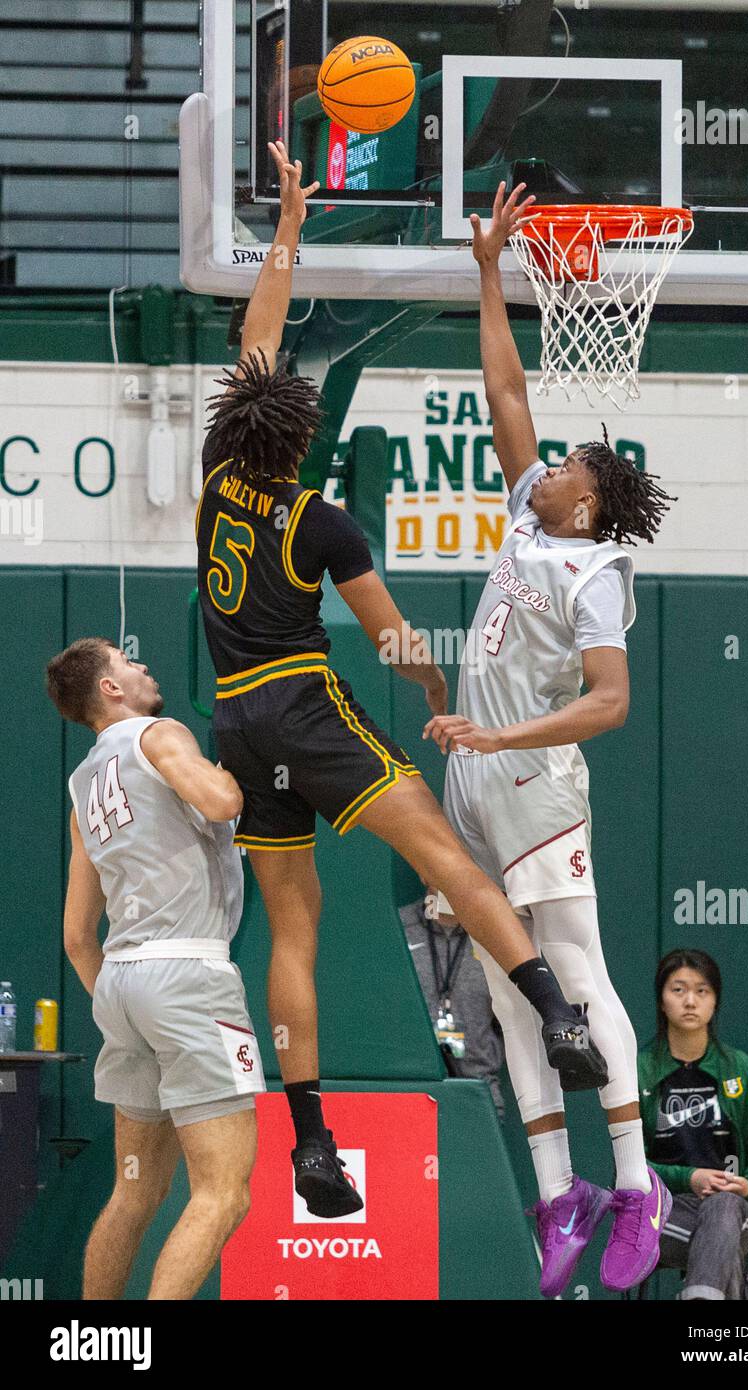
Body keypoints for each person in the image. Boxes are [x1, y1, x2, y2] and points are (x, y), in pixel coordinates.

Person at [195, 142, 602, 1220]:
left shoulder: (217, 475)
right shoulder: (322, 520)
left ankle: (310, 1139)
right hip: (301, 701)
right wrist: (432, 697)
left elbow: (258, 338)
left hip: (235, 717)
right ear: (307, 433)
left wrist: (284, 229)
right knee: (439, 847)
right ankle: (554, 1010)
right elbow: (388, 640)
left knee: (289, 931)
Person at [423, 181, 679, 1298]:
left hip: (531, 775)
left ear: (591, 500)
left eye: (571, 461)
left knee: (575, 974)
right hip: (475, 773)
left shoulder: (594, 570)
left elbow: (610, 703)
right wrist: (490, 272)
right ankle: (559, 1188)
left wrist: (499, 731)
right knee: (504, 985)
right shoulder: (535, 510)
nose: (552, 458)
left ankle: (635, 1183)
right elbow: (505, 389)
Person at [46, 638, 265, 1300]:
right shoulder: (161, 734)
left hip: (120, 983)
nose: (144, 666)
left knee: (135, 1192)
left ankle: (97, 1344)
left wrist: (125, 1008)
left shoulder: (83, 782)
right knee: (224, 1193)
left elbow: (78, 937)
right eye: (129, 663)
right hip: (189, 977)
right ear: (110, 689)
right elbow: (222, 803)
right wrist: (239, 770)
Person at [639, 949, 748, 1300]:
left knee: (722, 1206)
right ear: (661, 1000)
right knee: (720, 1244)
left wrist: (746, 1187)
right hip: (662, 1215)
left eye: (702, 991)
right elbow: (628, 1166)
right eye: (678, 990)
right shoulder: (638, 1070)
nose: (690, 1001)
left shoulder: (741, 1069)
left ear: (715, 1001)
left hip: (738, 1209)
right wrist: (689, 1178)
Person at [399, 894, 505, 1118]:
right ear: (422, 871)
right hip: (411, 1093)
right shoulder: (398, 928)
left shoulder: (497, 931)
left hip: (480, 1094)